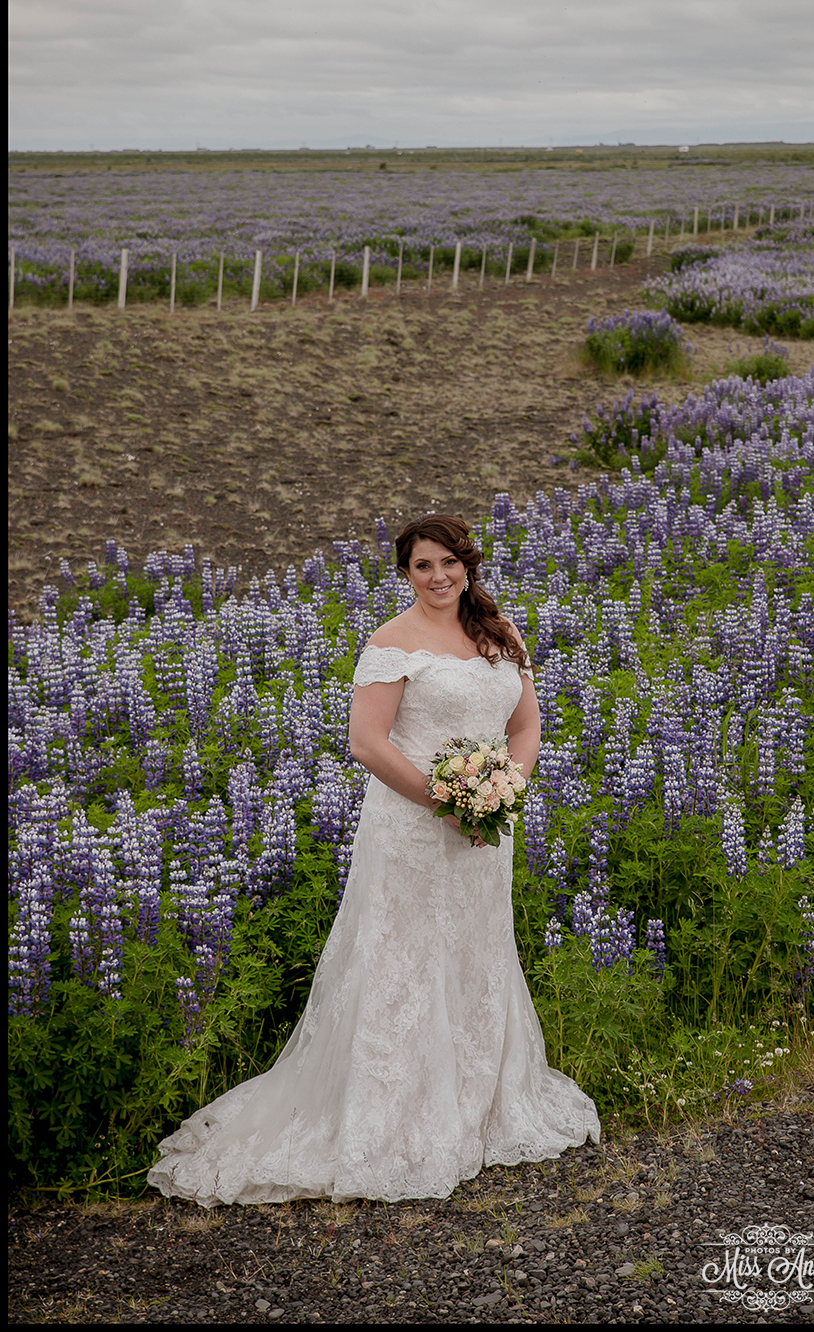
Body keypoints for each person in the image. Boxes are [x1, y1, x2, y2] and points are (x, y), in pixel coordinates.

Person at [147, 514, 600, 1207]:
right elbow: (367, 742)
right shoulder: (390, 642)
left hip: (485, 828)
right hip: (414, 826)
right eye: (423, 565)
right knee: (404, 958)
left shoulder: (501, 633)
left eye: (448, 562)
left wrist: (503, 789)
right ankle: (393, 1119)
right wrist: (449, 803)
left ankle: (477, 1102)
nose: (438, 576)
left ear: (467, 565)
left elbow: (526, 723)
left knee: (475, 949)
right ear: (406, 573)